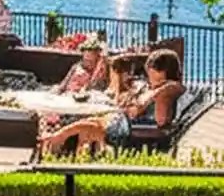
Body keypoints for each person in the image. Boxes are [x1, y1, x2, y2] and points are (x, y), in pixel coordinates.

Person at [40, 51, 184, 155]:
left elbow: (153, 112)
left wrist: (149, 96)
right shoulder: (160, 88)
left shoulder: (170, 89)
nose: (152, 82)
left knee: (90, 126)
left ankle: (56, 139)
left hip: (136, 130)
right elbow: (137, 104)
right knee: (91, 122)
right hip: (128, 122)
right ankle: (67, 151)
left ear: (167, 73)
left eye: (155, 79)